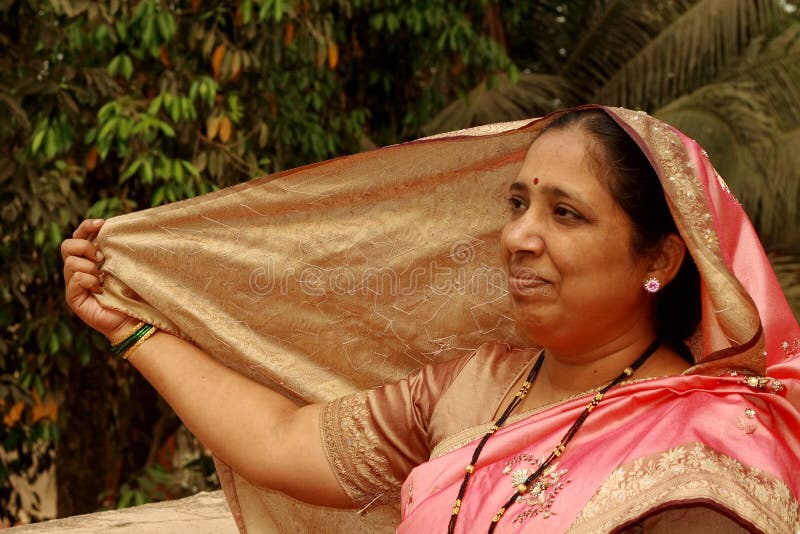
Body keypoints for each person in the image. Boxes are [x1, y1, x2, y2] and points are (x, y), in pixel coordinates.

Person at [62, 106, 800, 532]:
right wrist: (129, 328)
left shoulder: (708, 458)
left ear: (663, 261)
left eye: (565, 213)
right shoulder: (477, 384)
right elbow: (280, 441)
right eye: (517, 204)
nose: (518, 236)